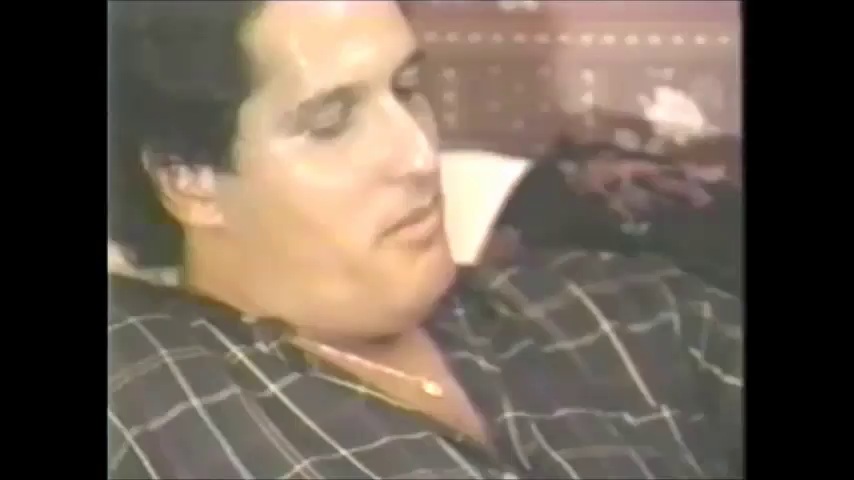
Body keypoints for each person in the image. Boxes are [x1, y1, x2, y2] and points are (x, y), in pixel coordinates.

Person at [108, 2, 743, 478]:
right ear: (187, 177)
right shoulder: (152, 397)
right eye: (332, 123)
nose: (417, 155)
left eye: (408, 90)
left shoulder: (619, 316)